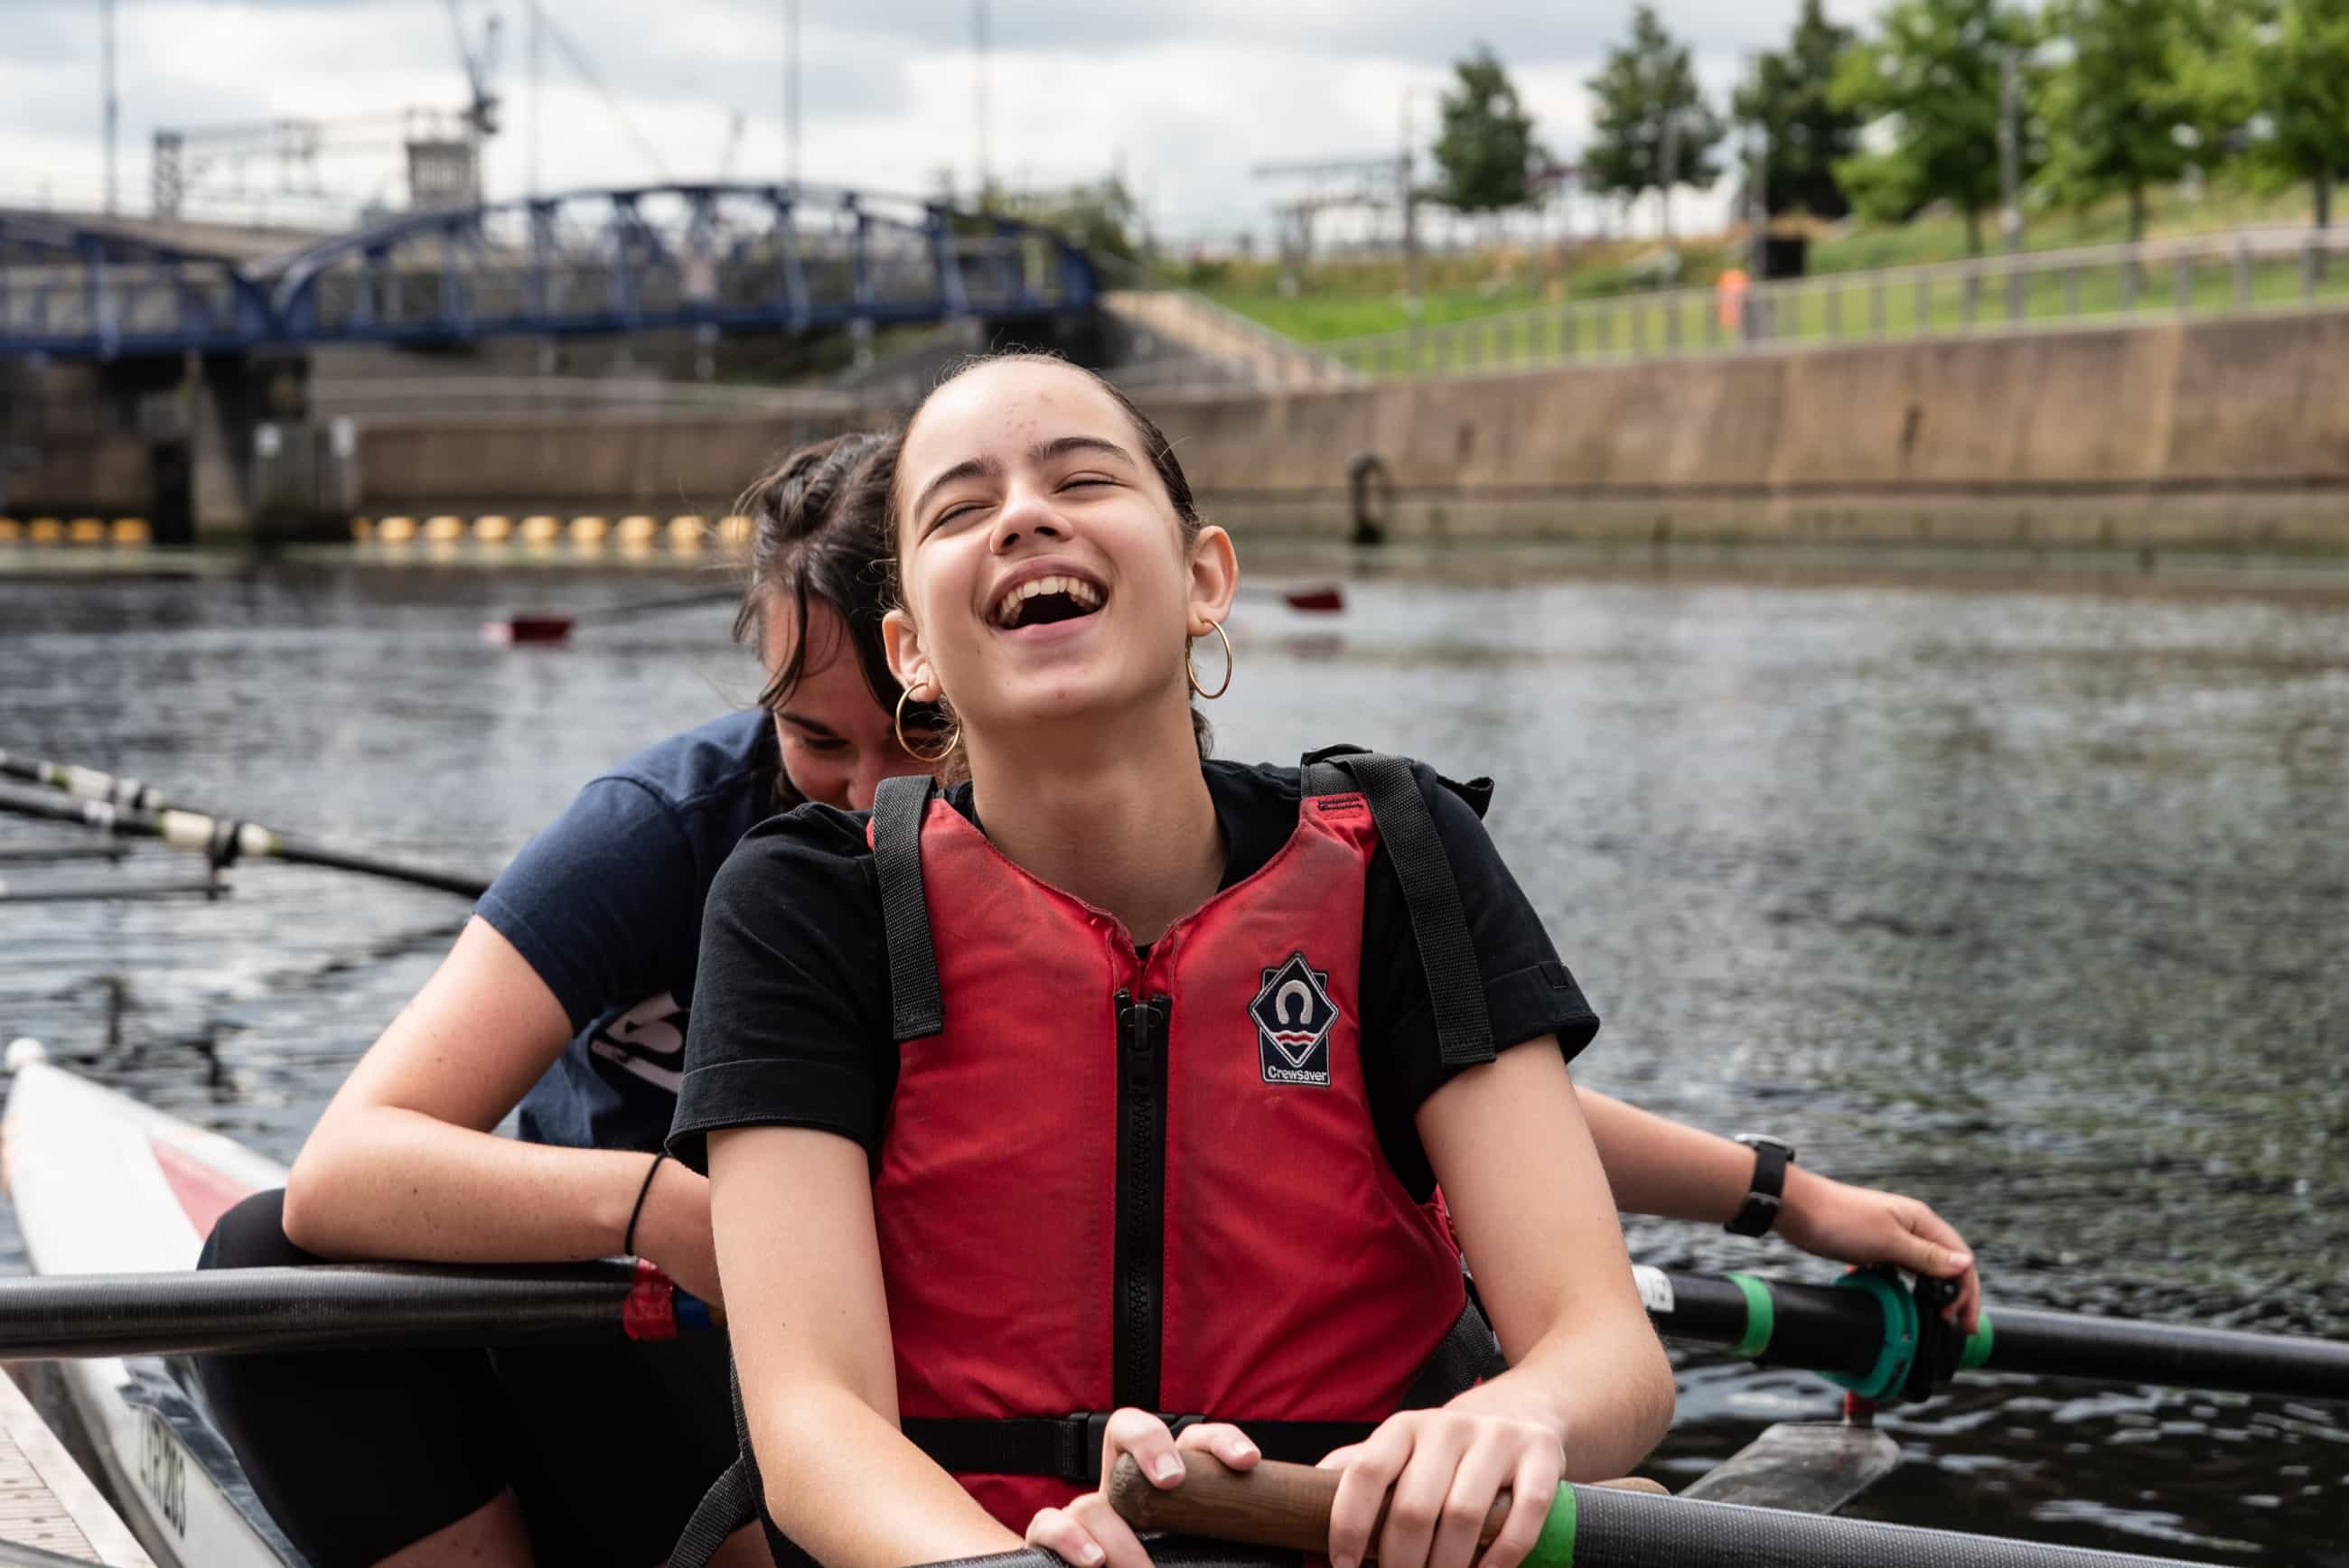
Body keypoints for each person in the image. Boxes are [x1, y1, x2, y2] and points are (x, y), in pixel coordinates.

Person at [200, 416, 1982, 1568]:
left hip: (1255, 1480)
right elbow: (373, 1179)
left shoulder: (1373, 859)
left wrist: (1765, 1192)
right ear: (927, 639)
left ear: (1199, 581)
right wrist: (698, 1217)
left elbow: (1415, 1109)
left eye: (889, 752)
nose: (864, 785)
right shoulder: (753, 867)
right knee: (269, 1265)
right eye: (811, 738)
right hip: (757, 1363)